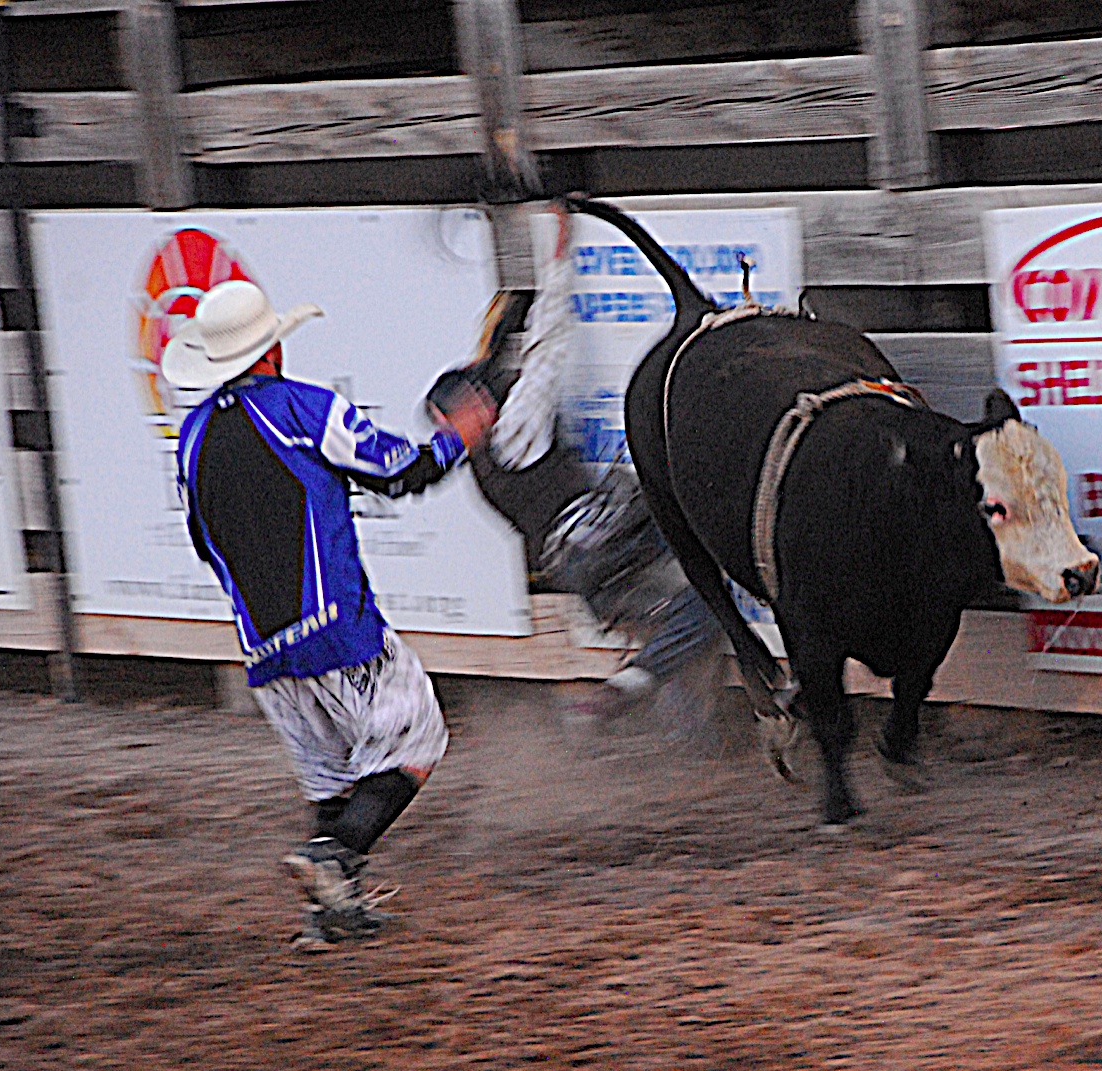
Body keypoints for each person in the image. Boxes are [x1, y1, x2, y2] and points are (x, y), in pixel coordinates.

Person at [163, 279, 488, 946]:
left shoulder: (193, 438)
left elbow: (204, 541)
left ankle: (330, 911)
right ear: (272, 348)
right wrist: (459, 437)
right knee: (416, 738)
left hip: (263, 646)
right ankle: (330, 861)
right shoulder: (302, 408)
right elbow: (397, 470)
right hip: (337, 629)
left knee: (333, 773)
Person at [424, 209, 726, 738]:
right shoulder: (515, 428)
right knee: (704, 595)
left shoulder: (478, 468)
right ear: (470, 409)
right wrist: (559, 254)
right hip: (608, 534)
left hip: (576, 565)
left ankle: (679, 728)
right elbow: (548, 345)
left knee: (668, 616)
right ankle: (625, 691)